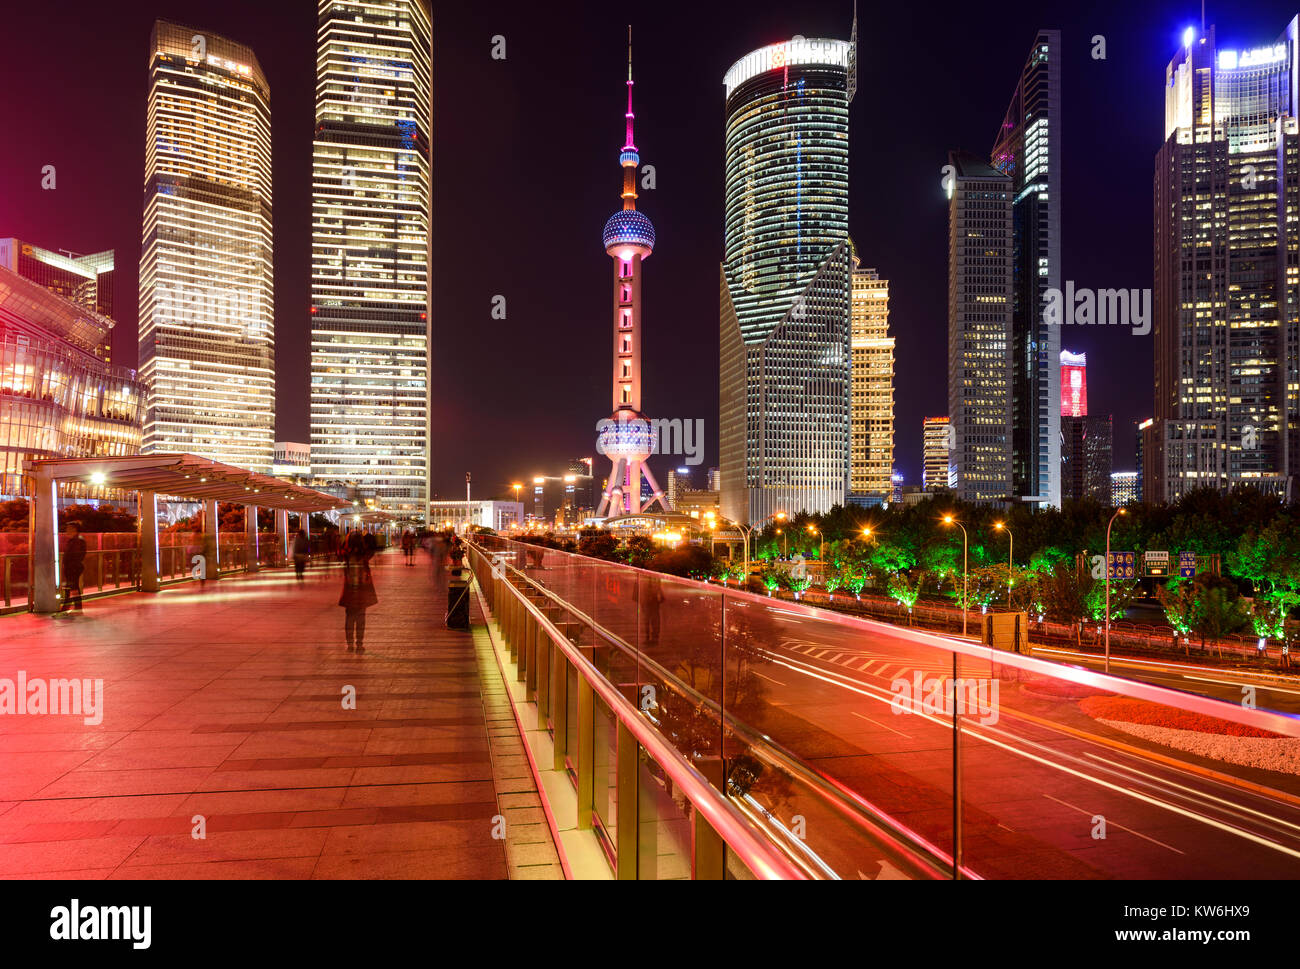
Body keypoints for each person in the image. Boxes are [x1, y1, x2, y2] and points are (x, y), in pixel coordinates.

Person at [339, 530, 378, 653]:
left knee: (349, 618)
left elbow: (341, 549)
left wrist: (349, 540)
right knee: (361, 618)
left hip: (350, 592)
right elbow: (372, 548)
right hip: (362, 592)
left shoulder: (346, 555)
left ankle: (350, 644)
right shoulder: (364, 555)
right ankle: (359, 644)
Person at [59, 522, 87, 615]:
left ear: (75, 529)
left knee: (72, 588)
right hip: (72, 567)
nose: (67, 530)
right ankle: (70, 608)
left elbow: (76, 555)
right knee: (71, 588)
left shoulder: (77, 541)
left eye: (69, 528)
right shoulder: (75, 540)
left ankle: (72, 609)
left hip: (73, 568)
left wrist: (70, 565)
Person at [642, 572, 664, 644]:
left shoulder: (650, 576)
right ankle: (652, 637)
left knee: (650, 618)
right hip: (650, 599)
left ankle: (651, 637)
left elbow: (657, 586)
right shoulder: (654, 576)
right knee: (652, 618)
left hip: (651, 599)